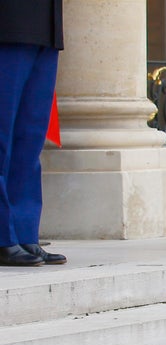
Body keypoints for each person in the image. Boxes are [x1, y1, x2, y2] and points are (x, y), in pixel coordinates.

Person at [0, 0, 66, 266]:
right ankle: (4, 237)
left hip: (44, 28)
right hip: (7, 25)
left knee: (29, 141)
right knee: (2, 137)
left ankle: (25, 233)